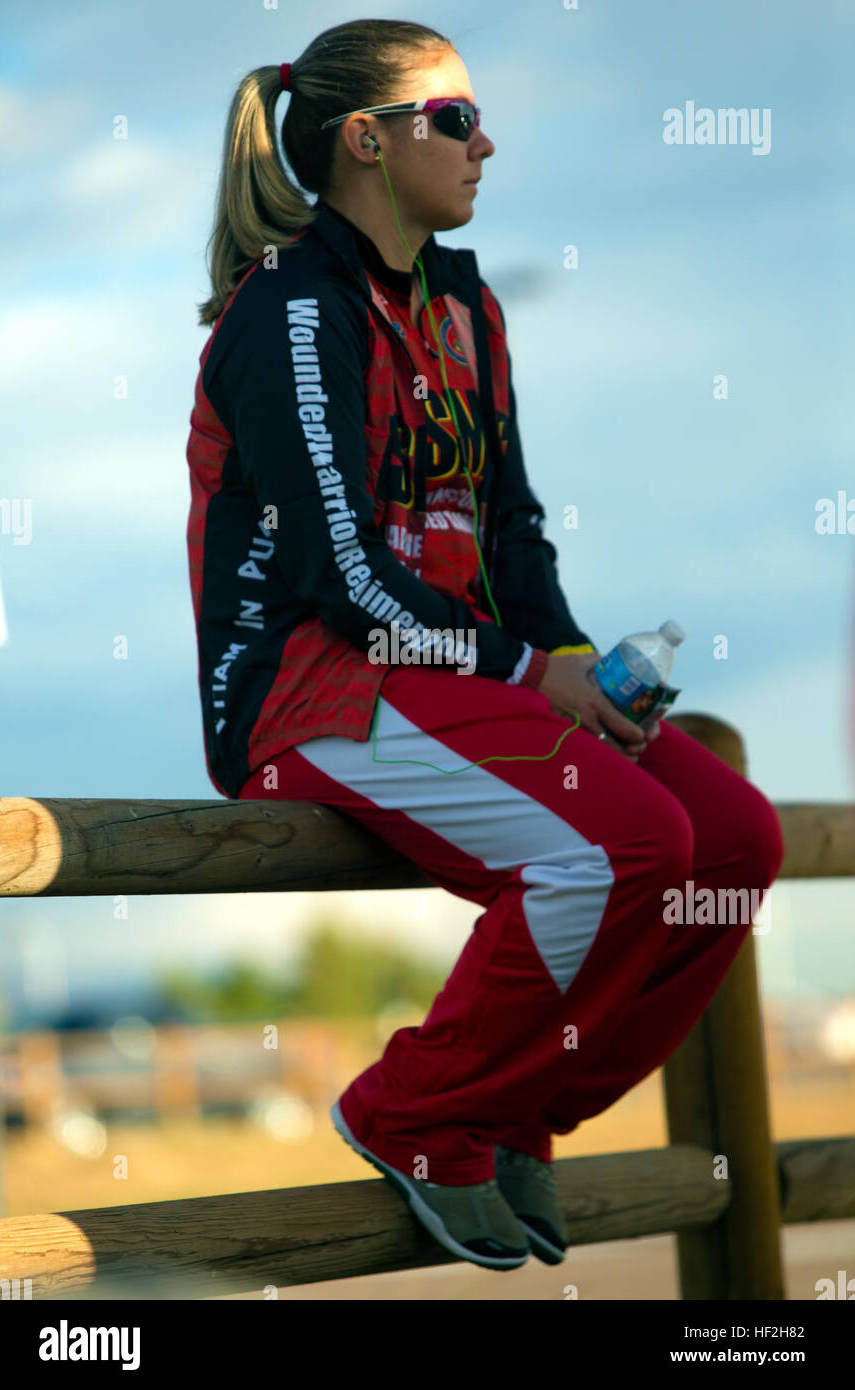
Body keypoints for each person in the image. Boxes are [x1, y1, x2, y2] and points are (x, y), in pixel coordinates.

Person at [185, 18, 784, 1273]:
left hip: (458, 675)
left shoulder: (466, 302)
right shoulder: (290, 311)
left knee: (733, 839)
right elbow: (338, 572)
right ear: (366, 139)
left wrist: (571, 664)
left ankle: (516, 1113)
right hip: (314, 695)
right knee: (628, 841)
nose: (483, 142)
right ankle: (411, 1113)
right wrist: (524, 673)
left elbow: (508, 526)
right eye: (453, 120)